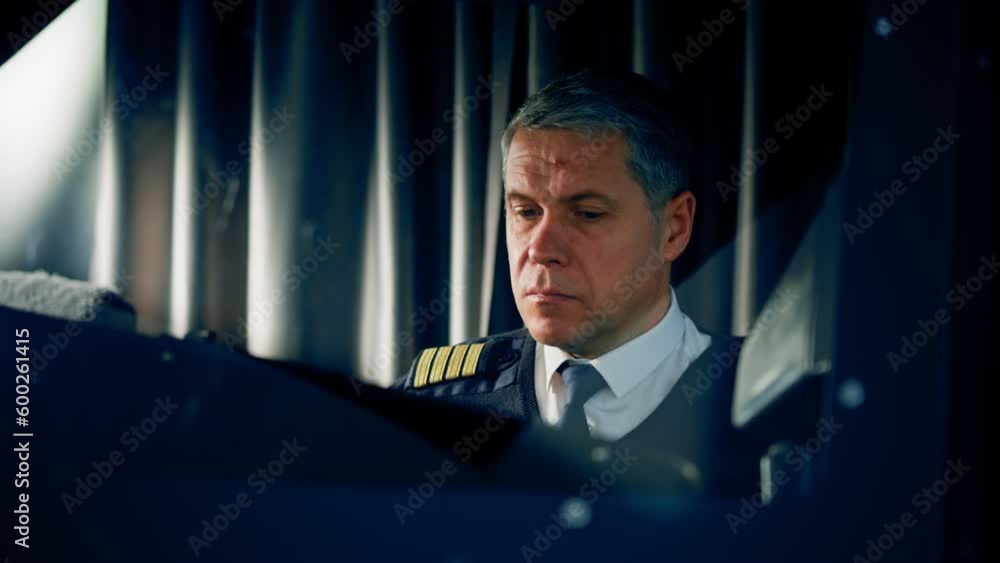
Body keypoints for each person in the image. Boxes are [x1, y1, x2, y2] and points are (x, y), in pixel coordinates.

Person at [397, 70, 758, 491]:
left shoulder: (764, 404)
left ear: (674, 228)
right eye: (527, 212)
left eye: (587, 213)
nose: (541, 248)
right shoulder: (433, 405)